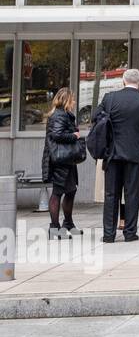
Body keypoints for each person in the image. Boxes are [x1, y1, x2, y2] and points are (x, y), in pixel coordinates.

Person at [94, 68, 139, 243]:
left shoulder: (109, 98)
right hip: (134, 154)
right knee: (132, 194)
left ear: (123, 81)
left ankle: (108, 234)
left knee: (110, 194)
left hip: (112, 154)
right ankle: (130, 233)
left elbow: (95, 117)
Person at [42, 88, 82, 239]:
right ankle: (54, 228)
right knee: (58, 192)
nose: (74, 102)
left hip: (66, 159)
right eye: (72, 99)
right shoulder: (59, 115)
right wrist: (74, 135)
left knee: (71, 190)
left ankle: (68, 223)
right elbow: (57, 134)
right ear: (66, 100)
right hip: (59, 160)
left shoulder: (64, 114)